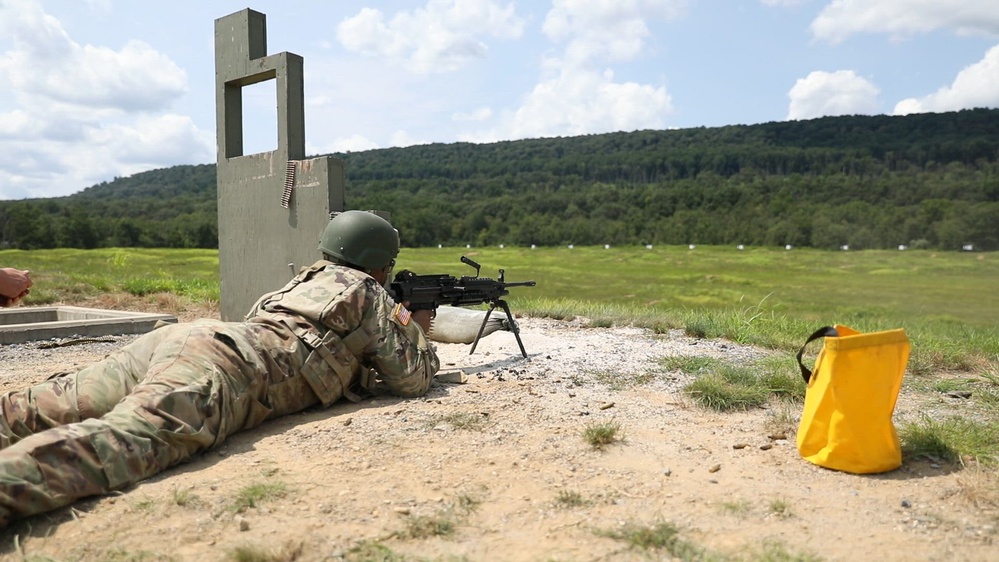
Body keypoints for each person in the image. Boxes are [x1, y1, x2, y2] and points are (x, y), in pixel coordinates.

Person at [0, 211, 439, 527]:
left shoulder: (305, 279)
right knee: (122, 442)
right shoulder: (366, 289)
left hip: (192, 337)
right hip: (227, 367)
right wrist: (418, 329)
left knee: (35, 407)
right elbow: (410, 379)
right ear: (381, 263)